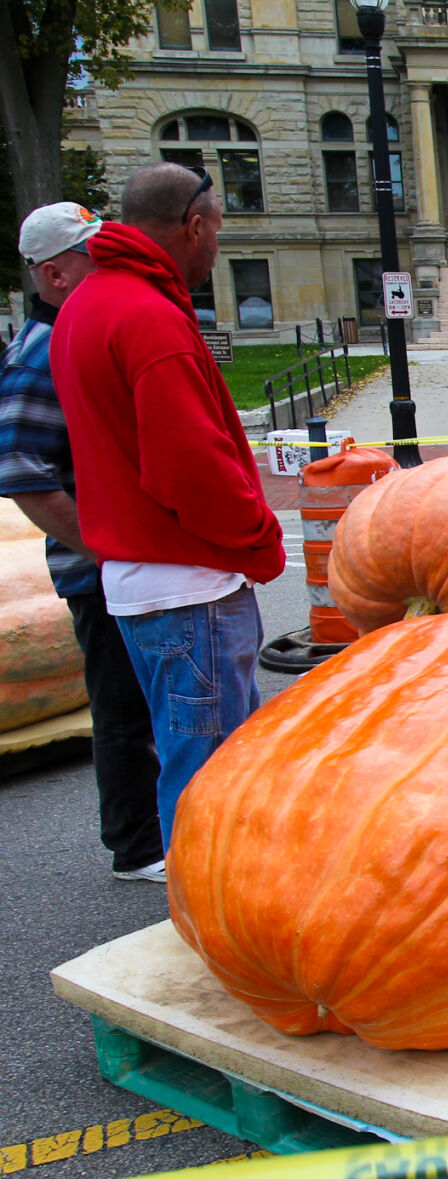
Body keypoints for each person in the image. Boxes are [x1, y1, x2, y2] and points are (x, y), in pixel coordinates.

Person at [49, 162, 285, 853]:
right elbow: (190, 467)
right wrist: (260, 539)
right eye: (218, 231)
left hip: (142, 580)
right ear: (195, 225)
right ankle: (205, 901)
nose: (216, 247)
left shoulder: (84, 308)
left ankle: (201, 890)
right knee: (212, 777)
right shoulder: (150, 319)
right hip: (190, 585)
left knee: (188, 760)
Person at [0, 202, 165, 882]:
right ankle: (137, 847)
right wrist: (103, 548)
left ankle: (160, 829)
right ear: (55, 273)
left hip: (130, 563)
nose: (105, 265)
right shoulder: (39, 353)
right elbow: (21, 472)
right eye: (90, 256)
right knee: (124, 709)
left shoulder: (82, 334)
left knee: (152, 705)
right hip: (99, 572)